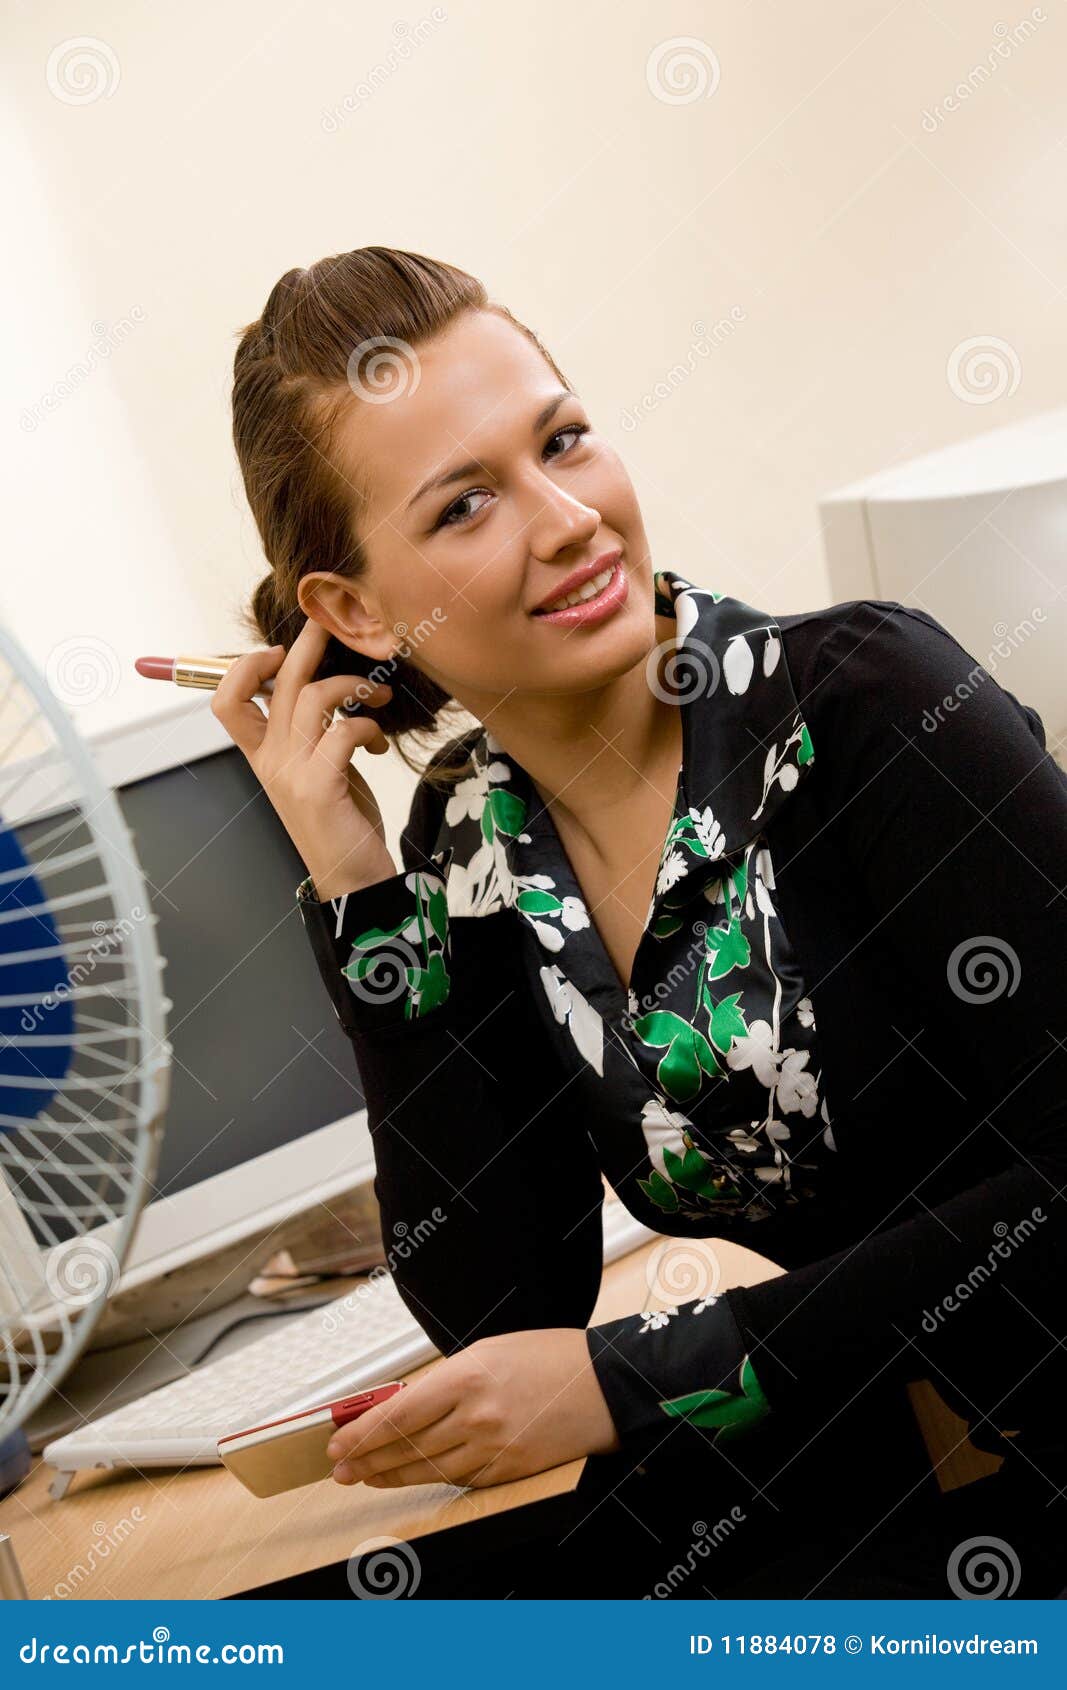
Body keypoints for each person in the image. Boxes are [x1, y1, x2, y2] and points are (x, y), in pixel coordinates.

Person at [212, 245, 1067, 1598]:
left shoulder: (869, 706)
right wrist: (363, 893)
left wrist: (648, 1373)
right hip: (931, 1468)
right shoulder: (468, 844)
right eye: (466, 505)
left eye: (563, 441)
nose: (568, 520)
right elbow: (502, 1315)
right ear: (354, 611)